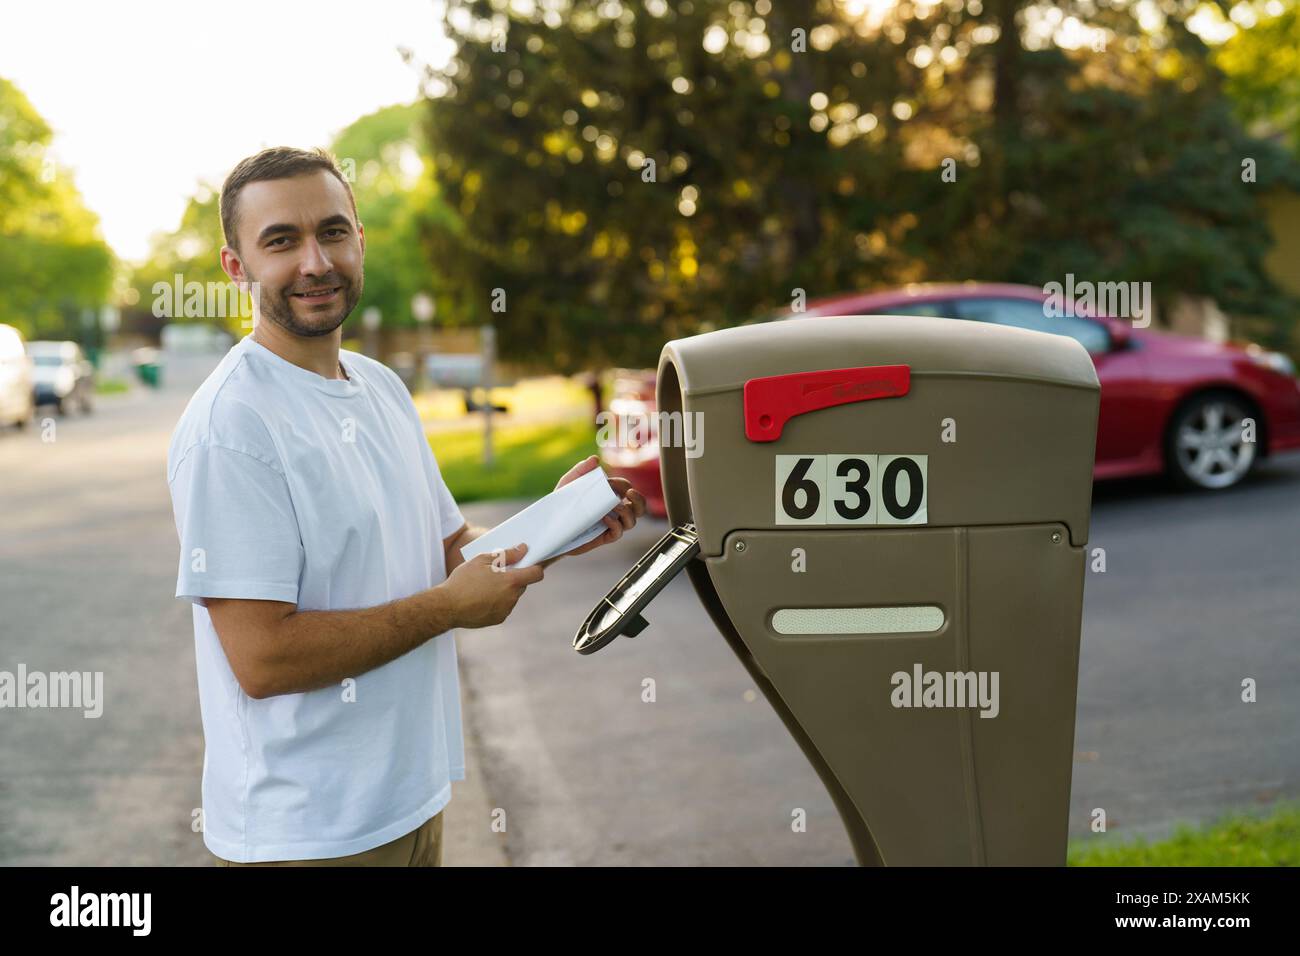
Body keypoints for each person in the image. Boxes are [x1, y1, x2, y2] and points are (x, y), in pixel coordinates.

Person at [166, 146, 645, 867]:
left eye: (331, 231)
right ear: (237, 268)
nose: (315, 262)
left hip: (410, 800)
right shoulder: (232, 427)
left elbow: (449, 548)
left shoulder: (381, 387)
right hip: (307, 832)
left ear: (359, 236)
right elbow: (262, 658)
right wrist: (448, 609)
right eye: (280, 241)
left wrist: (555, 528)